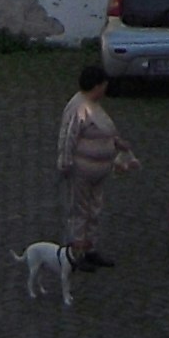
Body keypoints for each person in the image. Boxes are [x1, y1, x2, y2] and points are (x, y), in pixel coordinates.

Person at [56, 63, 134, 269]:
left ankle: (89, 248)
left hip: (98, 170)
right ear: (97, 85)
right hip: (81, 170)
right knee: (80, 212)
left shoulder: (93, 106)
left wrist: (117, 143)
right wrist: (65, 163)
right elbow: (68, 137)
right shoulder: (78, 107)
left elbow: (105, 132)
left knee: (93, 210)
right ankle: (76, 254)